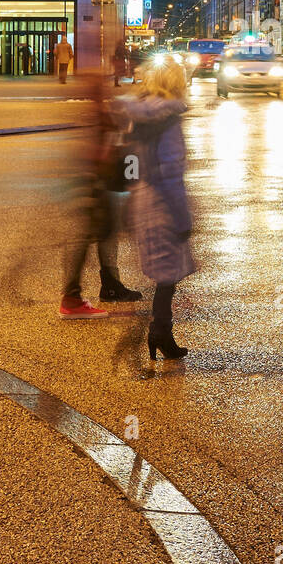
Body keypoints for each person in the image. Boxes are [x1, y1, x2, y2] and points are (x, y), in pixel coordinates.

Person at [122, 57, 194, 361]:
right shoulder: (168, 119)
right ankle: (160, 332)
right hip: (164, 204)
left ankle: (162, 332)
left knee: (166, 273)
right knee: (169, 273)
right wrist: (183, 219)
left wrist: (133, 193)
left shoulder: (141, 114)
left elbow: (130, 162)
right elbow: (171, 173)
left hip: (144, 199)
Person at [60, 84, 143, 317]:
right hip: (95, 182)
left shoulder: (102, 110)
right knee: (91, 235)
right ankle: (74, 297)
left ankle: (106, 286)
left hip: (96, 181)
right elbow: (98, 152)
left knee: (99, 233)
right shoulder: (99, 112)